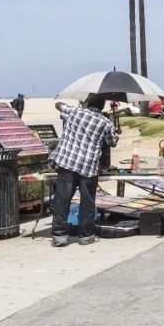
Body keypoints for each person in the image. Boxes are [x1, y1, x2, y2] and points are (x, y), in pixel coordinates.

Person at [50, 93, 119, 247]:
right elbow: (112, 142)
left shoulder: (75, 112)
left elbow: (59, 105)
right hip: (88, 166)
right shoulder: (105, 123)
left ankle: (59, 236)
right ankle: (86, 236)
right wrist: (115, 131)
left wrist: (65, 105)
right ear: (102, 106)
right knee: (87, 203)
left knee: (62, 200)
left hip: (67, 162)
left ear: (87, 103)